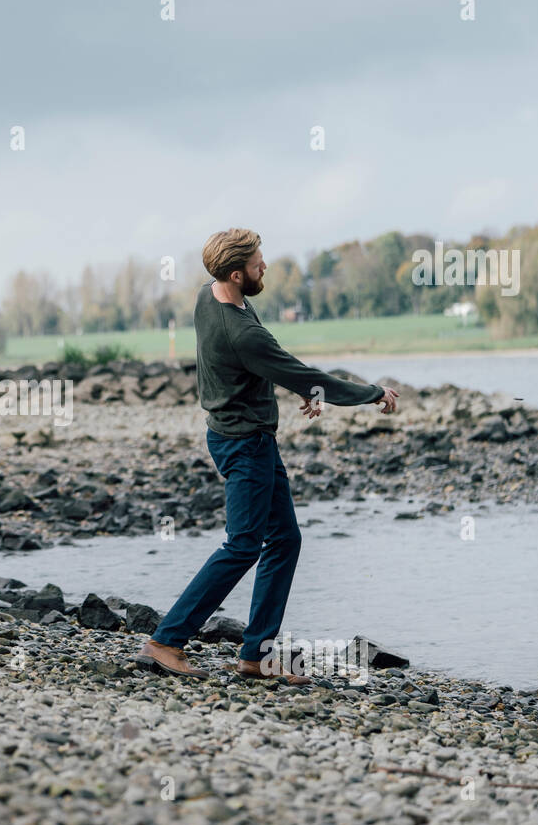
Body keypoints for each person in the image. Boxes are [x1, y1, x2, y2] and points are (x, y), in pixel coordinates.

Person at [134, 228, 399, 682]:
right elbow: (293, 366)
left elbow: (274, 365)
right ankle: (166, 641)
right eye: (258, 264)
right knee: (242, 545)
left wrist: (302, 387)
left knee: (285, 539)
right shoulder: (240, 332)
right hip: (245, 445)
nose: (265, 267)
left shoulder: (210, 296)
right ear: (236, 273)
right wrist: (372, 393)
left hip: (237, 435)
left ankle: (257, 655)